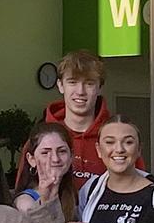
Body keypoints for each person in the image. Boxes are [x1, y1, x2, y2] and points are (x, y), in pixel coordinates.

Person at [31, 49, 143, 192]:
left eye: (89, 83)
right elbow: (24, 192)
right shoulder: (41, 138)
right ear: (60, 85)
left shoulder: (120, 136)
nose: (80, 91)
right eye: (72, 82)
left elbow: (139, 189)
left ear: (100, 87)